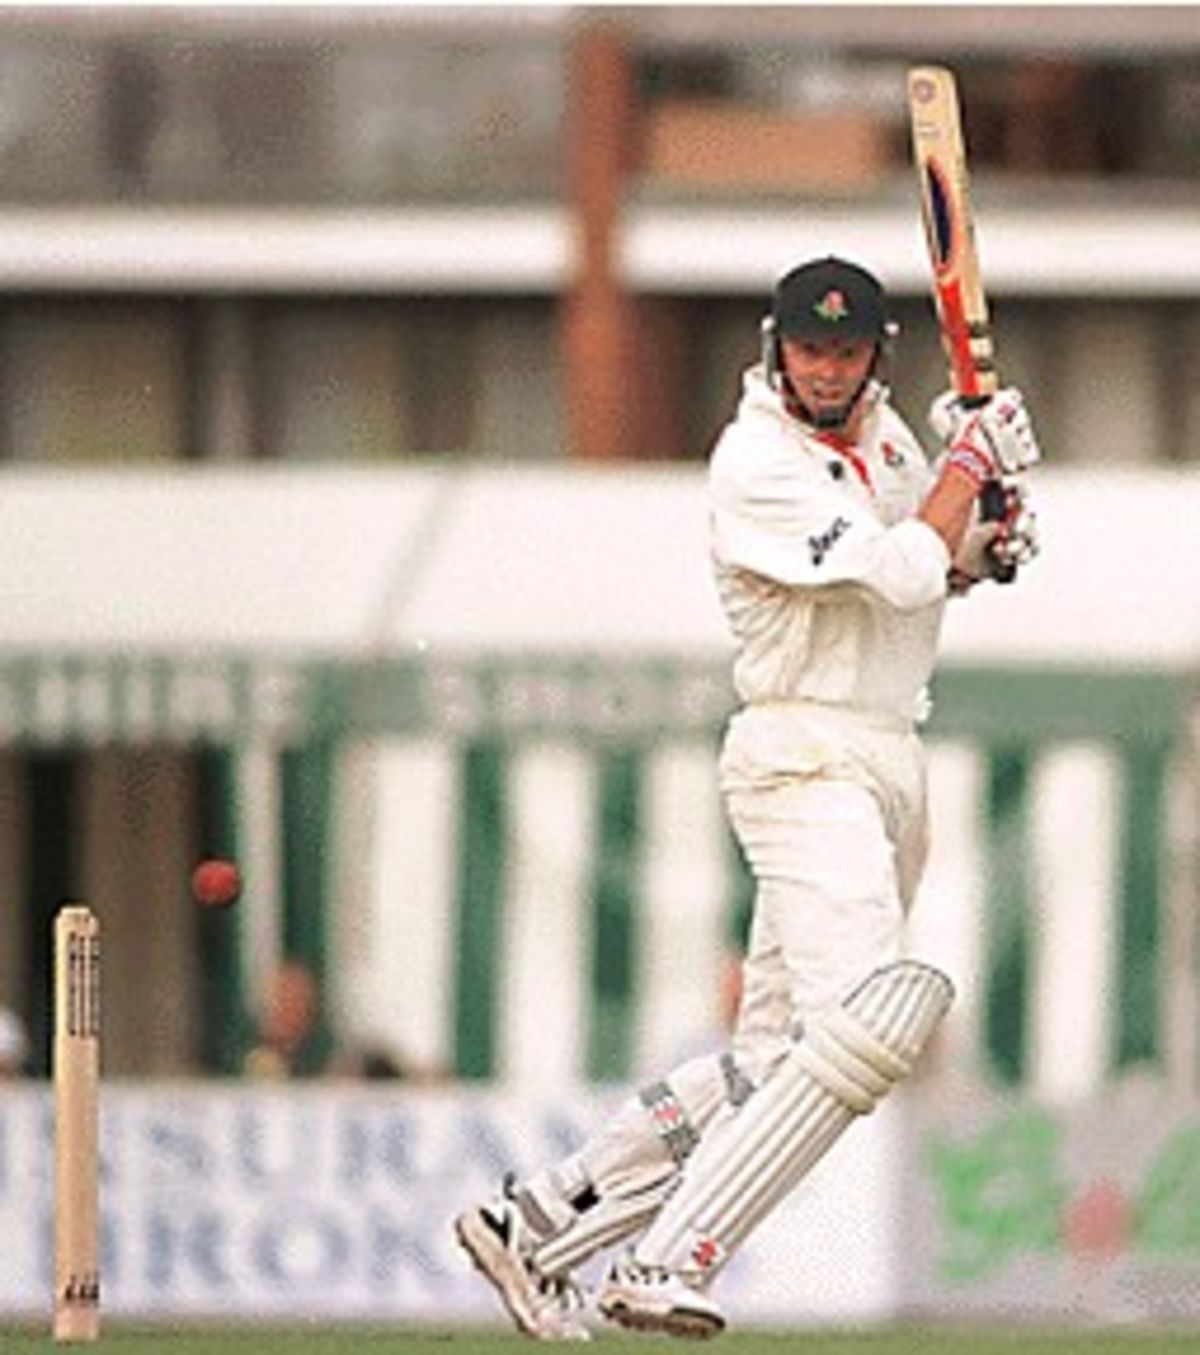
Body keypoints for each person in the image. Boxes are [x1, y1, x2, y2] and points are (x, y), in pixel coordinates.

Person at [453, 256, 1040, 1341]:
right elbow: (898, 571)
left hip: (883, 754)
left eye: (847, 349)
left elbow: (935, 563)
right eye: (809, 348)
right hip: (801, 753)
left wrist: (993, 528)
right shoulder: (754, 459)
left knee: (775, 1060)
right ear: (778, 347)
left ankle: (540, 1218)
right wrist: (970, 458)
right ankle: (673, 1253)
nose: (826, 367)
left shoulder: (888, 442)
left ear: (876, 355)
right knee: (867, 1025)